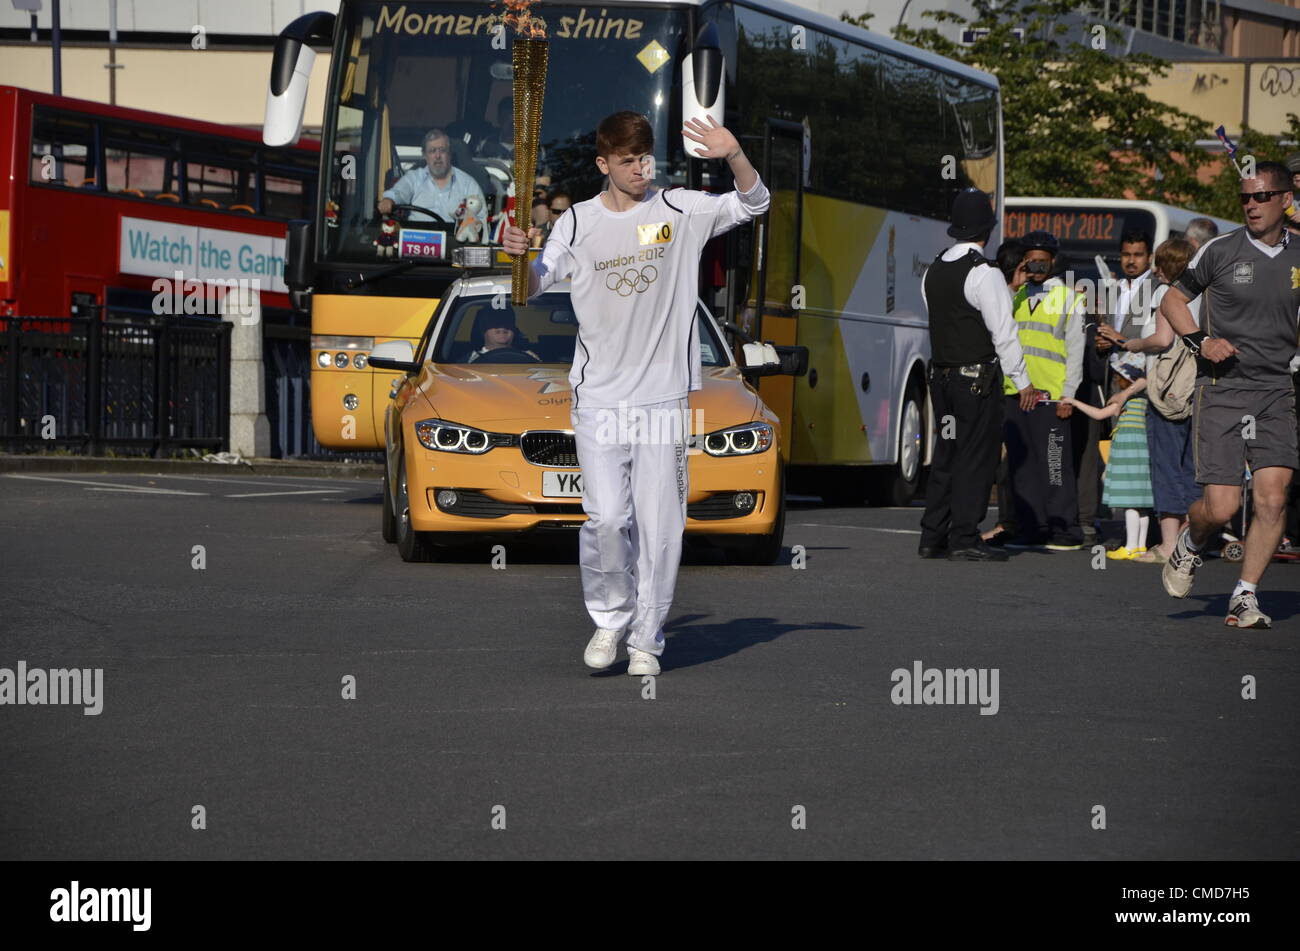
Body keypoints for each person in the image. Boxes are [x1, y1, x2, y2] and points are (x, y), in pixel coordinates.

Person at [501, 111, 769, 675]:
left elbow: (754, 204)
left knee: (661, 523)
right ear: (603, 164)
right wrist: (517, 253)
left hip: (663, 397)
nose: (640, 170)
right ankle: (610, 617)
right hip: (598, 396)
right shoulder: (576, 222)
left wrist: (733, 154)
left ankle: (647, 636)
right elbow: (529, 287)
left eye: (645, 158)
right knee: (604, 518)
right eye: (627, 161)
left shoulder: (678, 209)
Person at [1158, 162, 1300, 629]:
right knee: (1222, 508)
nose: (1251, 205)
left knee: (1273, 499)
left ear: (1285, 199)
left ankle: (1244, 594)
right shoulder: (1220, 250)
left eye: (1261, 196)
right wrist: (1201, 341)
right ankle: (1191, 542)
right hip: (1223, 388)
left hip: (1277, 390)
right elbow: (1172, 301)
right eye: (1245, 198)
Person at [917, 193, 1036, 562]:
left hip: (941, 378)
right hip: (975, 381)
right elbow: (1004, 333)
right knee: (976, 458)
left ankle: (932, 535)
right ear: (987, 228)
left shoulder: (933, 269)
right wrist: (1023, 380)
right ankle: (965, 536)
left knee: (947, 454)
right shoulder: (984, 273)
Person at [1108, 237, 1200, 565]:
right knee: (1193, 466)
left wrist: (1134, 344)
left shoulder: (1167, 294)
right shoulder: (1206, 294)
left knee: (1166, 465)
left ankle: (1168, 544)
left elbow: (1162, 339)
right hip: (1198, 390)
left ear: (1164, 266)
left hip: (1168, 393)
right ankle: (1195, 538)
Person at [1001, 230, 1087, 550]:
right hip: (1016, 392)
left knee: (1054, 465)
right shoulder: (1015, 296)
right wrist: (1014, 284)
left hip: (1051, 397)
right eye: (1030, 260)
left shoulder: (1069, 298)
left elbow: (1075, 352)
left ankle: (1065, 529)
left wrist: (1069, 396)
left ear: (1053, 262)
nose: (1036, 266)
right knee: (1022, 466)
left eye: (1042, 260)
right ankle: (1031, 527)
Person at [1065, 361, 1152, 559]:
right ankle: (1141, 545)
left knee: (1130, 503)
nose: (1115, 380)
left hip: (1127, 454)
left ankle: (1130, 546)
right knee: (1142, 504)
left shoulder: (1122, 401)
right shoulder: (1147, 400)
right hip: (1143, 454)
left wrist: (1075, 402)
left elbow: (1098, 414)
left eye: (1117, 377)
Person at [379, 128, 485, 224]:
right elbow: (398, 192)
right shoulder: (413, 178)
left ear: (450, 154)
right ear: (425, 155)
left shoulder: (468, 184)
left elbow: (481, 220)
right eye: (432, 151)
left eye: (442, 150)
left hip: (454, 242)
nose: (438, 156)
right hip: (415, 239)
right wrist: (389, 200)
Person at [465, 309, 540, 363]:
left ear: (514, 329)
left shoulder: (529, 356)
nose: (502, 327)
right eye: (494, 322)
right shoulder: (470, 358)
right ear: (482, 330)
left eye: (507, 322)